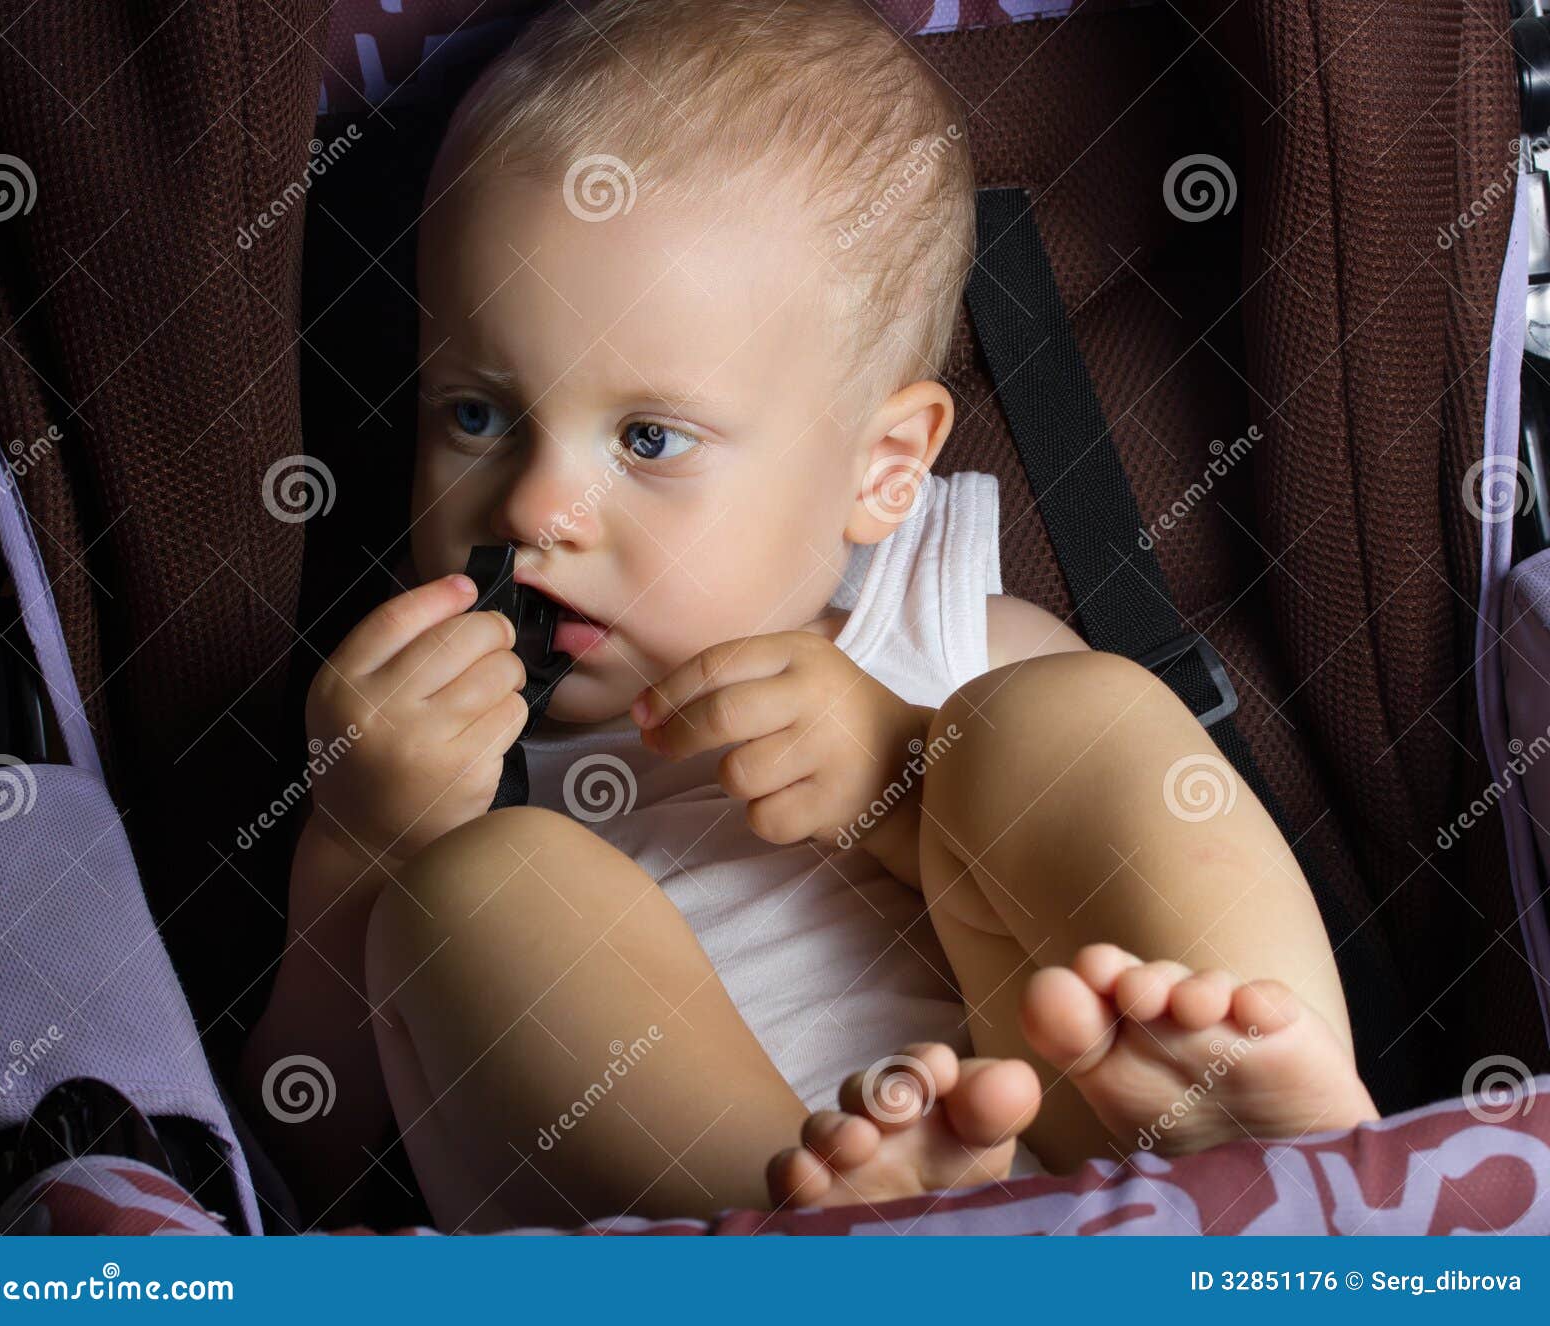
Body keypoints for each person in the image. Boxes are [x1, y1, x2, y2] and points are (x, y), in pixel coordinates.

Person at [241, 0, 1377, 1231]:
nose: (538, 505)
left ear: (883, 467)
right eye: (474, 414)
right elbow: (311, 1157)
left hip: (1093, 1174)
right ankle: (815, 1237)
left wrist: (901, 769)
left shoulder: (943, 629)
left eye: (648, 438)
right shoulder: (424, 748)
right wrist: (362, 846)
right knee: (480, 891)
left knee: (1071, 718)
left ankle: (1259, 1129)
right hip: (730, 1225)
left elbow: (1102, 813)